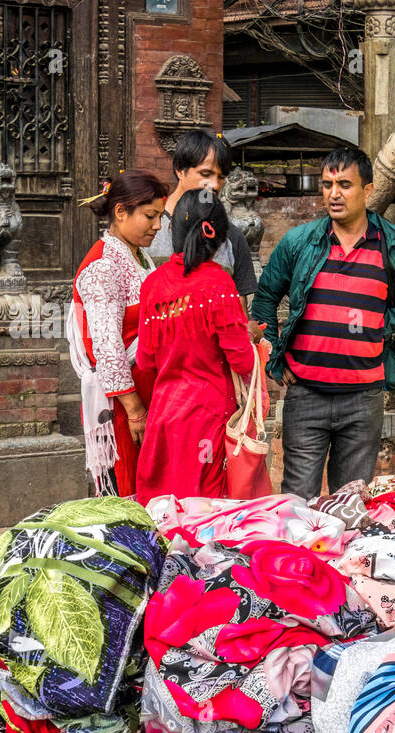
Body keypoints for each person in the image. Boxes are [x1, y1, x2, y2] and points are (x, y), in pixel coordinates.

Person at [251, 146, 395, 499]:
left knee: (351, 504)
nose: (334, 193)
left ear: (369, 189)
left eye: (345, 184)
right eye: (327, 184)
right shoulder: (301, 242)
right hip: (306, 394)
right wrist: (273, 359)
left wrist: (389, 320)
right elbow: (266, 298)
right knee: (297, 501)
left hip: (364, 398)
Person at [133, 190, 257, 506]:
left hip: (165, 417)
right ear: (218, 237)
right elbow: (241, 359)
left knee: (164, 510)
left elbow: (146, 361)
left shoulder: (153, 285)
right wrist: (254, 342)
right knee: (206, 512)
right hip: (210, 415)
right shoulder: (220, 285)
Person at [69, 169, 168, 496]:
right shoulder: (103, 266)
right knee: (125, 488)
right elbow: (108, 347)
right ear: (121, 212)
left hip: (144, 391)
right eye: (150, 216)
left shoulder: (138, 256)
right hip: (123, 404)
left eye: (160, 217)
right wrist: (135, 410)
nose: (157, 226)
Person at [148, 129, 262, 342]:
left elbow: (241, 316)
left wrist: (249, 332)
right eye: (206, 174)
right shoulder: (149, 230)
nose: (216, 185)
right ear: (180, 170)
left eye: (221, 177)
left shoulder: (231, 237)